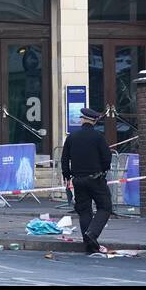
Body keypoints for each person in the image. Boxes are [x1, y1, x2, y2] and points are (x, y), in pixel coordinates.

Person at [61, 107, 113, 253]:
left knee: (84, 211)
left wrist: (67, 176)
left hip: (78, 180)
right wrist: (102, 171)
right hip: (95, 179)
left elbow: (64, 158)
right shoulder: (98, 137)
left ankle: (89, 245)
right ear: (94, 121)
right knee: (105, 207)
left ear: (82, 119)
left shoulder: (72, 137)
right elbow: (107, 158)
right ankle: (92, 234)